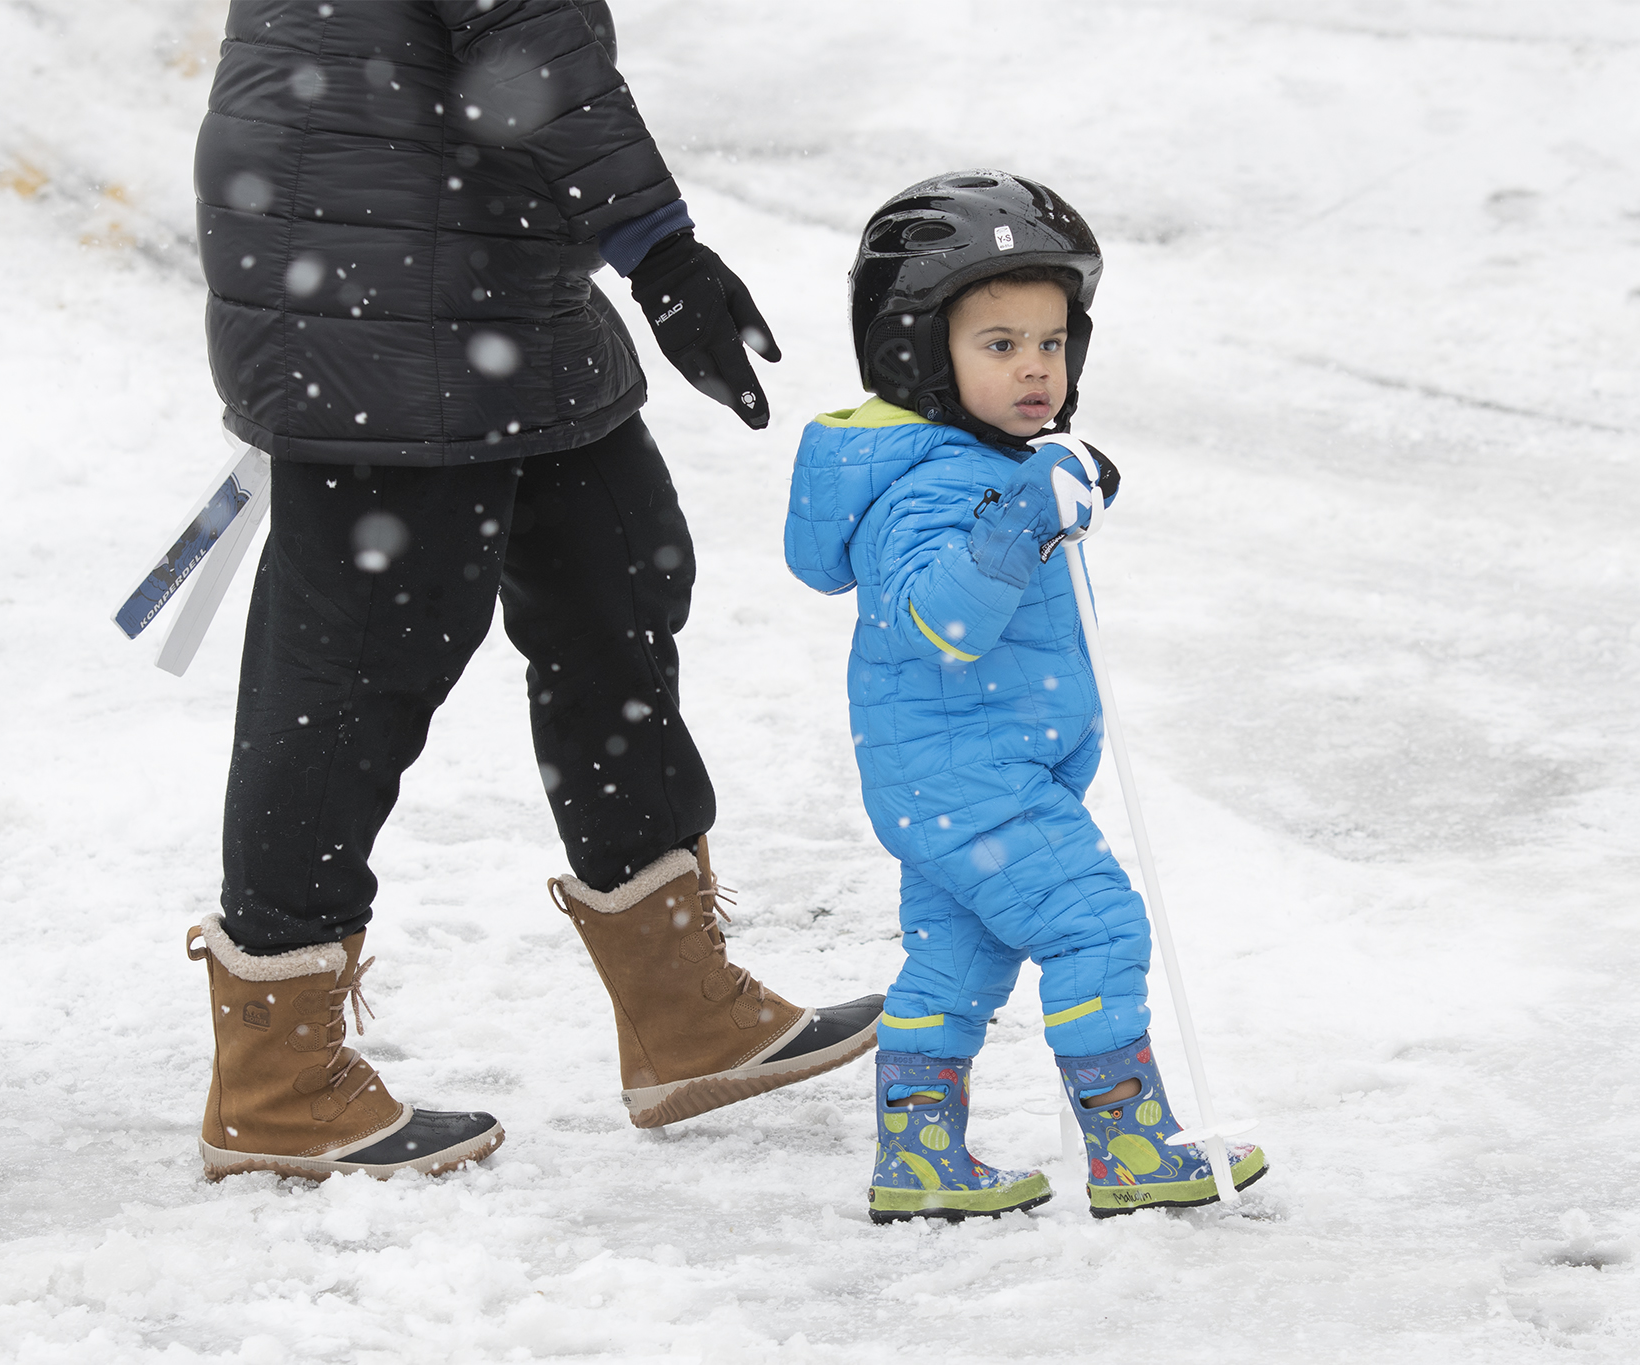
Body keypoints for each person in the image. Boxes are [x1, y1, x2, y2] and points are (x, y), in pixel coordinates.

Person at [181, 0, 881, 1183]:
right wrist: (659, 245)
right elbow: (527, 42)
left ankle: (681, 1003)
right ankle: (278, 1074)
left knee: (617, 570)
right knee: (356, 668)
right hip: (377, 272)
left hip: (481, 259)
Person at [782, 171, 1269, 1221]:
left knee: (955, 963)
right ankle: (1131, 1149)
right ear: (916, 353)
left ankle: (917, 1161)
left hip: (950, 773)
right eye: (997, 345)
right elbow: (937, 620)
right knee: (1094, 929)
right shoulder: (933, 482)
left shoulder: (964, 459)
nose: (1034, 369)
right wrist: (1018, 523)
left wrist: (1032, 496)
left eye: (1049, 343)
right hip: (973, 773)